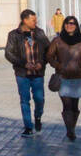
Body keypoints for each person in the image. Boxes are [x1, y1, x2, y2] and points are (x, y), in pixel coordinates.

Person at [4, 9, 50, 137]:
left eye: (36, 20)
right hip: (22, 74)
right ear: (25, 20)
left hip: (38, 73)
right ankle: (28, 126)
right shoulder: (14, 35)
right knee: (24, 100)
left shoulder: (39, 33)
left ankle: (38, 117)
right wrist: (23, 63)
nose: (36, 22)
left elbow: (49, 50)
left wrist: (42, 62)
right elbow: (9, 54)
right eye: (33, 20)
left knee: (39, 99)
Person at [47, 15, 81, 142]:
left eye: (72, 23)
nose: (69, 25)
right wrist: (57, 66)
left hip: (77, 78)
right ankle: (70, 131)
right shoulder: (57, 41)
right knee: (67, 105)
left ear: (76, 26)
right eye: (67, 23)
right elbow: (49, 56)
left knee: (74, 106)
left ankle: (72, 127)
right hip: (63, 78)